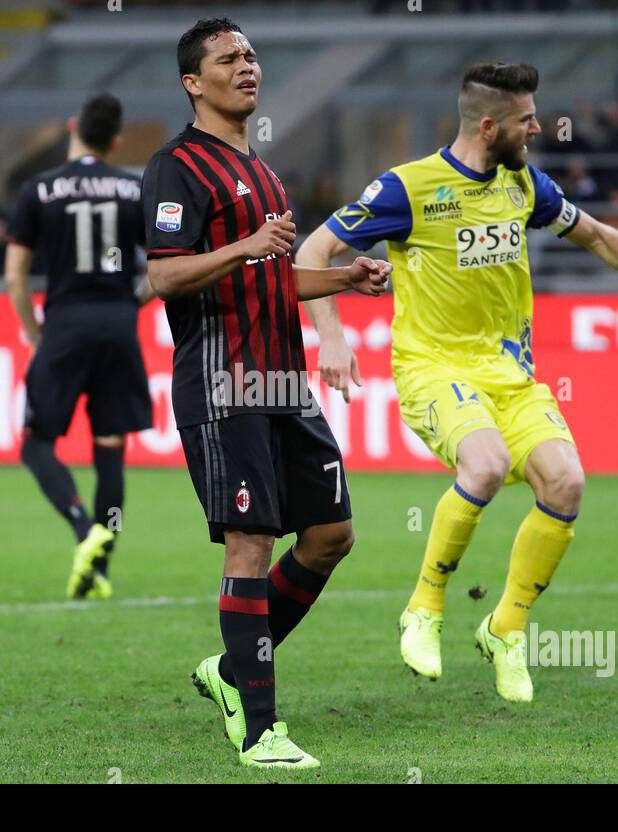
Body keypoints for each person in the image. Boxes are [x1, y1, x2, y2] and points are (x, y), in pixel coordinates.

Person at [298, 61, 618, 702]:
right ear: (489, 126)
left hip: (512, 375)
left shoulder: (524, 183)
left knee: (567, 482)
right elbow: (311, 254)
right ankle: (424, 609)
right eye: (526, 120)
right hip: (434, 369)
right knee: (483, 465)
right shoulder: (407, 189)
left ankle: (505, 628)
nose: (538, 128)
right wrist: (334, 338)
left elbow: (593, 234)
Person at [142, 18, 390, 769]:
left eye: (251, 55)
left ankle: (229, 668)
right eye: (229, 58)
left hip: (284, 380)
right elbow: (164, 275)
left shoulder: (268, 173)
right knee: (251, 543)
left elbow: (272, 278)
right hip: (224, 383)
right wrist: (246, 246)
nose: (247, 66)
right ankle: (261, 730)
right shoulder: (175, 168)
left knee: (330, 537)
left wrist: (341, 279)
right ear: (195, 81)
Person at [5, 93, 153, 599]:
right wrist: (131, 304)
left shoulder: (39, 190)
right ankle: (101, 569)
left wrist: (35, 335)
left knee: (35, 443)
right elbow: (164, 267)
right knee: (110, 449)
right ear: (115, 140)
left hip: (65, 324)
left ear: (72, 127)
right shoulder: (133, 190)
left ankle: (81, 527)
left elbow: (14, 278)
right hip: (117, 324)